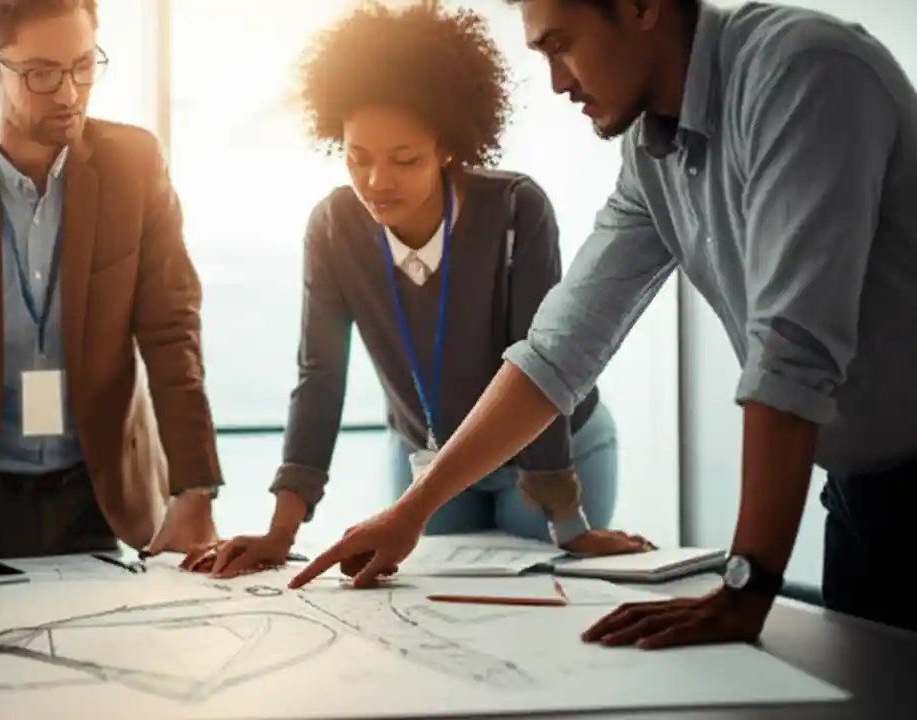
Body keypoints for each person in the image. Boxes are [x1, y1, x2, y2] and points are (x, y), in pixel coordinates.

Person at [292, 0, 917, 645]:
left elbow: (792, 350)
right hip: (858, 492)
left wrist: (743, 587)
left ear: (639, 7)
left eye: (560, 45)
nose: (558, 81)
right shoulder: (651, 154)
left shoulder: (803, 72)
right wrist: (410, 514)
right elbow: (557, 351)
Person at [185, 3, 650, 580]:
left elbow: (547, 362)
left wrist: (569, 525)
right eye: (358, 158)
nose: (377, 182)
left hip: (552, 459)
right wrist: (282, 530)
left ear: (447, 146)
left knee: (547, 613)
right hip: (428, 461)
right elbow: (320, 377)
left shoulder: (514, 211)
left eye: (404, 160)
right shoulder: (333, 228)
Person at [0, 0, 224, 585]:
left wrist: (194, 489)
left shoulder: (134, 166)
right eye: (42, 74)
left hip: (104, 495)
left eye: (83, 66)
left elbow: (172, 333)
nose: (70, 93)